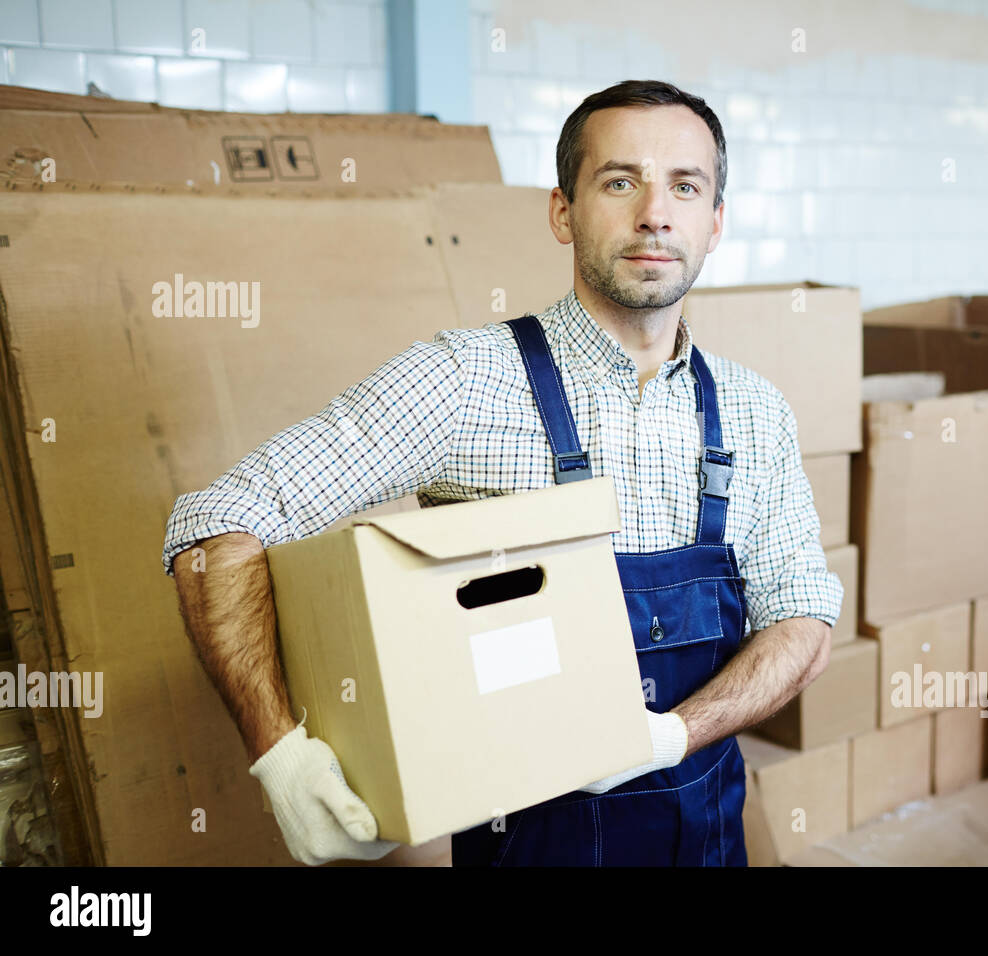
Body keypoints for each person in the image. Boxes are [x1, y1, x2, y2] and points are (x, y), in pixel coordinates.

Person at [163, 79, 843, 867]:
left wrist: (673, 736)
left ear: (715, 221)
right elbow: (212, 527)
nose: (654, 212)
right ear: (563, 211)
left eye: (684, 187)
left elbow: (801, 620)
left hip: (707, 840)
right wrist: (280, 755)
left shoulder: (758, 414)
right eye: (619, 181)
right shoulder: (463, 383)